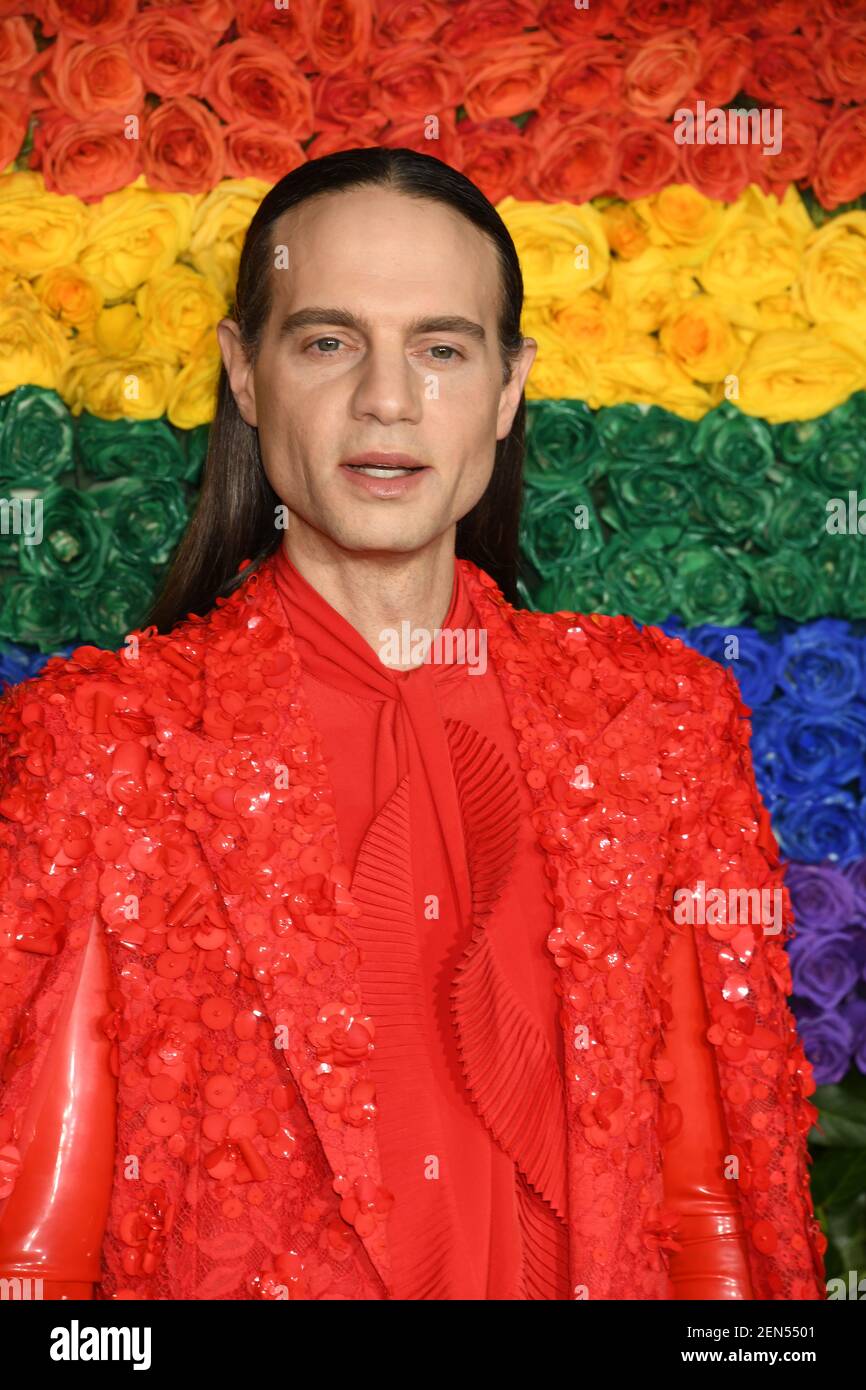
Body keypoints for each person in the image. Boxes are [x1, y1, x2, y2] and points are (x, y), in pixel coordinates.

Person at [0, 148, 826, 1301]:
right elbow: (37, 1247)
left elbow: (707, 1203)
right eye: (327, 341)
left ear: (505, 387)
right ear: (245, 374)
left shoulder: (656, 725)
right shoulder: (102, 745)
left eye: (441, 348)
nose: (387, 399)